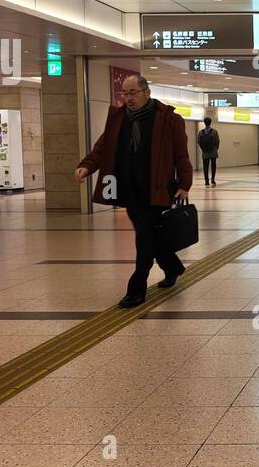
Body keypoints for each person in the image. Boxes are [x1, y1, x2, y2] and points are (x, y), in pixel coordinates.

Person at [75, 75, 192, 308]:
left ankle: (136, 289)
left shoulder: (168, 119)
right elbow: (102, 148)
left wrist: (184, 184)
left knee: (144, 238)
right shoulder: (118, 119)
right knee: (150, 235)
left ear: (146, 92)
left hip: (156, 190)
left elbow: (181, 154)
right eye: (124, 93)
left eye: (132, 93)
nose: (128, 98)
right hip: (128, 189)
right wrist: (86, 166)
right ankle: (172, 267)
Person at [196, 116, 220, 186]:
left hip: (205, 152)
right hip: (213, 151)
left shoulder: (201, 132)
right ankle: (213, 179)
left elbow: (198, 142)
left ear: (204, 123)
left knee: (205, 166)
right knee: (213, 166)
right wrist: (216, 148)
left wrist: (203, 148)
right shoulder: (214, 131)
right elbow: (217, 141)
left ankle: (206, 181)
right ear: (210, 123)